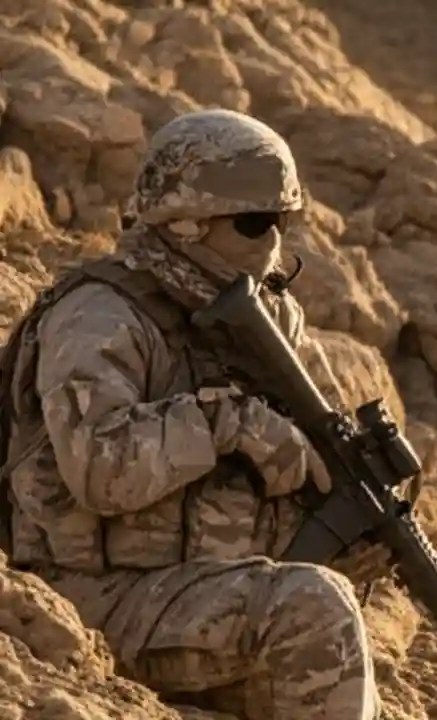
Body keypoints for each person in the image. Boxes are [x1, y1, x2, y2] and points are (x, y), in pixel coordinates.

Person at [0, 109, 377, 719]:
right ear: (187, 224)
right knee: (314, 609)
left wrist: (354, 502)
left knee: (333, 647)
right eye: (254, 223)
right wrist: (226, 422)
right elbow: (99, 470)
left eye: (280, 221)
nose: (274, 243)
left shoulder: (270, 320)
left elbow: (322, 438)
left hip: (205, 601)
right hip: (95, 599)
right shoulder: (101, 314)